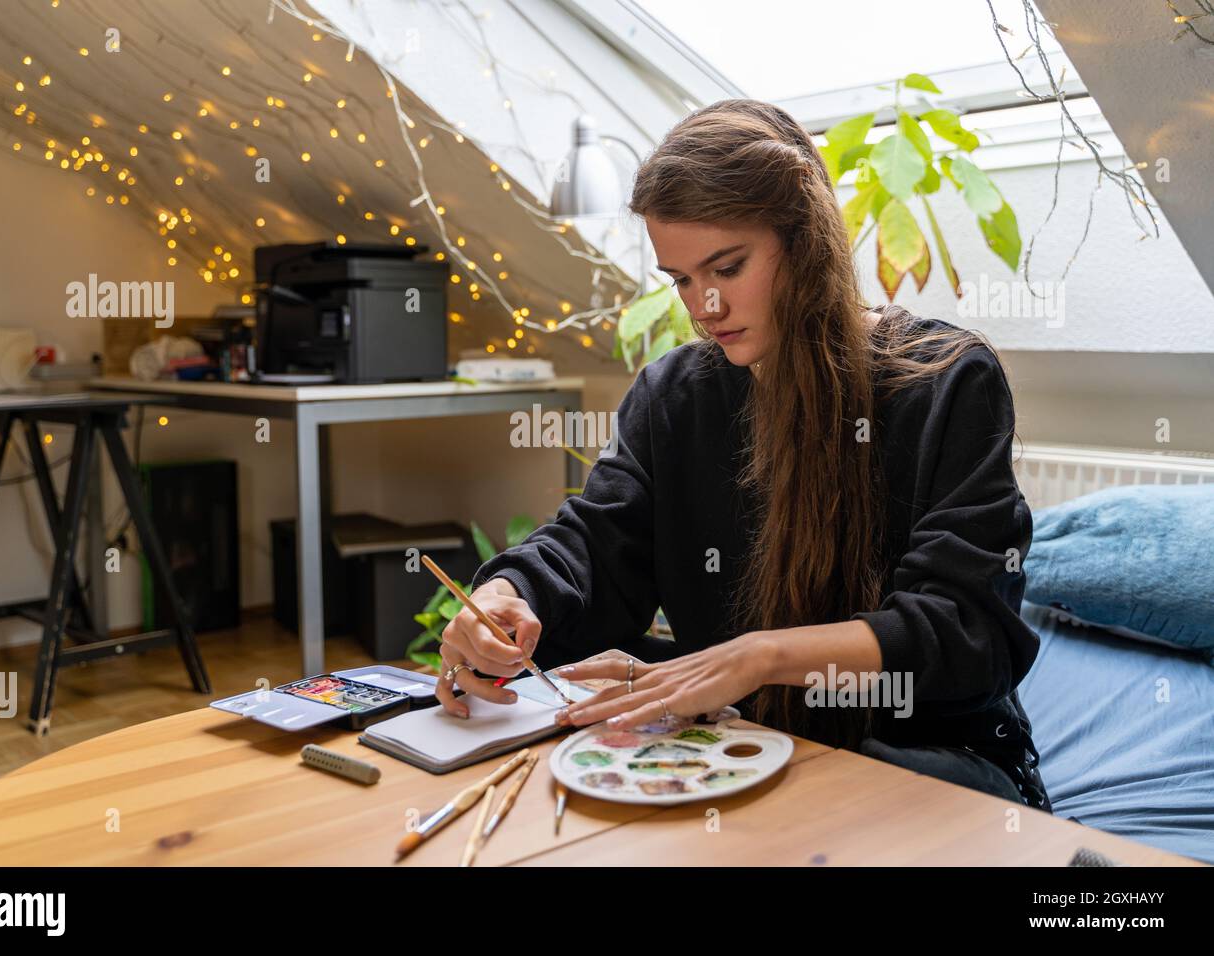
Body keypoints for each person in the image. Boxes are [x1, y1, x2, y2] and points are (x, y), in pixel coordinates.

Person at [436, 99, 1050, 811]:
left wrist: (763, 657)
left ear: (805, 236)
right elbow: (598, 543)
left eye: (727, 267)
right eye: (682, 279)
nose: (706, 307)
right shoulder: (674, 395)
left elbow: (966, 634)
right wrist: (509, 595)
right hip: (749, 741)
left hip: (934, 758)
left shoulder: (946, 381)